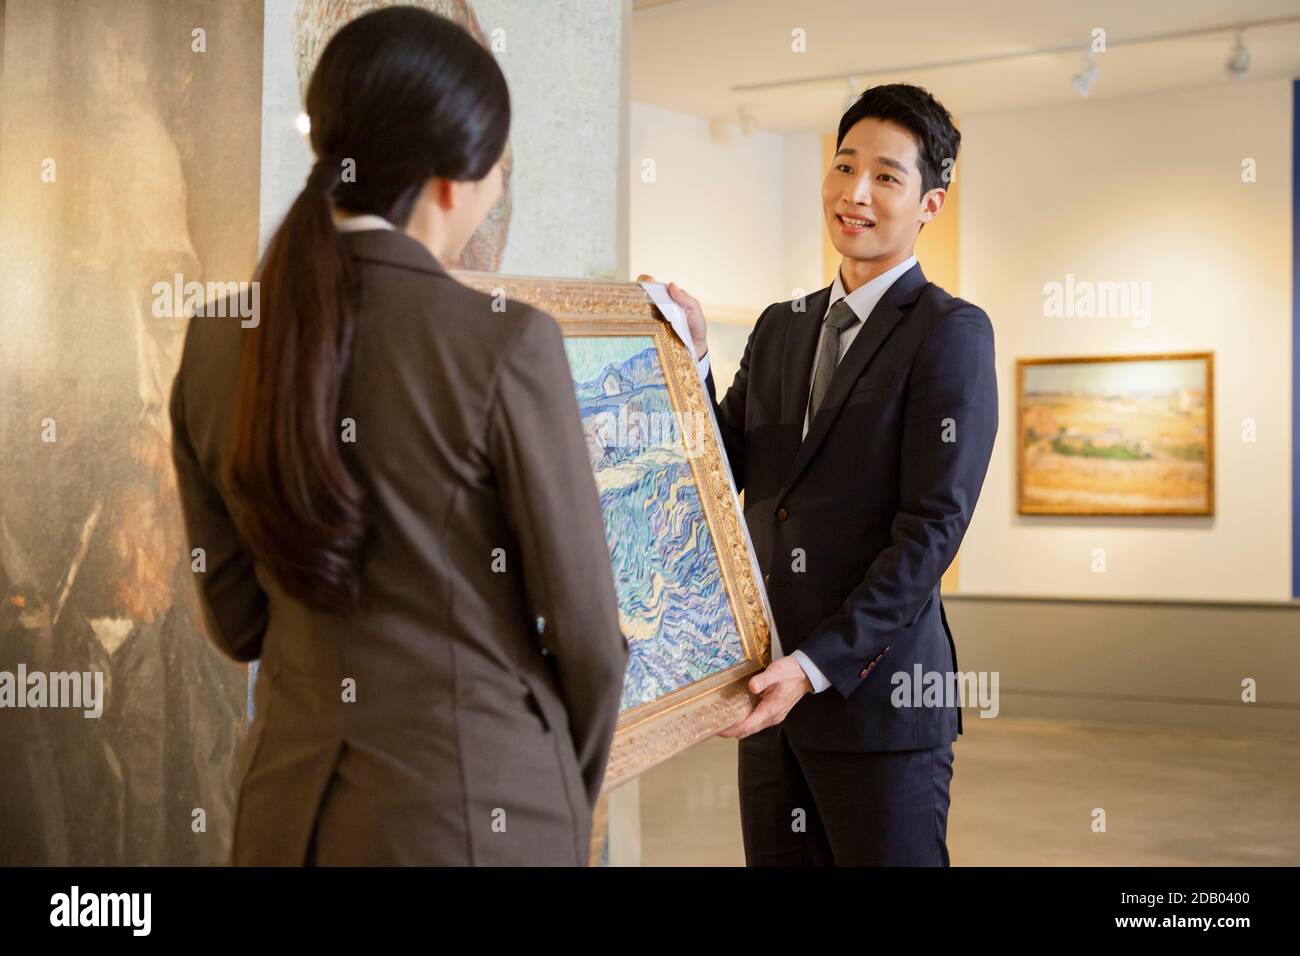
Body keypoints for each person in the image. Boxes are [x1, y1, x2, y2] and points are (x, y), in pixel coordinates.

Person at [168, 7, 627, 866]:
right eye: (501, 167)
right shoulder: (505, 340)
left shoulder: (216, 338)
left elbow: (235, 622)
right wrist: (556, 786)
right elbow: (592, 640)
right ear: (457, 177)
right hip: (471, 815)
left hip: (284, 816)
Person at [649, 84, 997, 866]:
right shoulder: (781, 327)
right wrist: (694, 357)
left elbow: (929, 534)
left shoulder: (950, 334)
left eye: (886, 176)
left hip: (878, 705)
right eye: (844, 166)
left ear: (930, 203)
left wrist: (814, 668)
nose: (856, 193)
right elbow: (723, 471)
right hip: (766, 703)